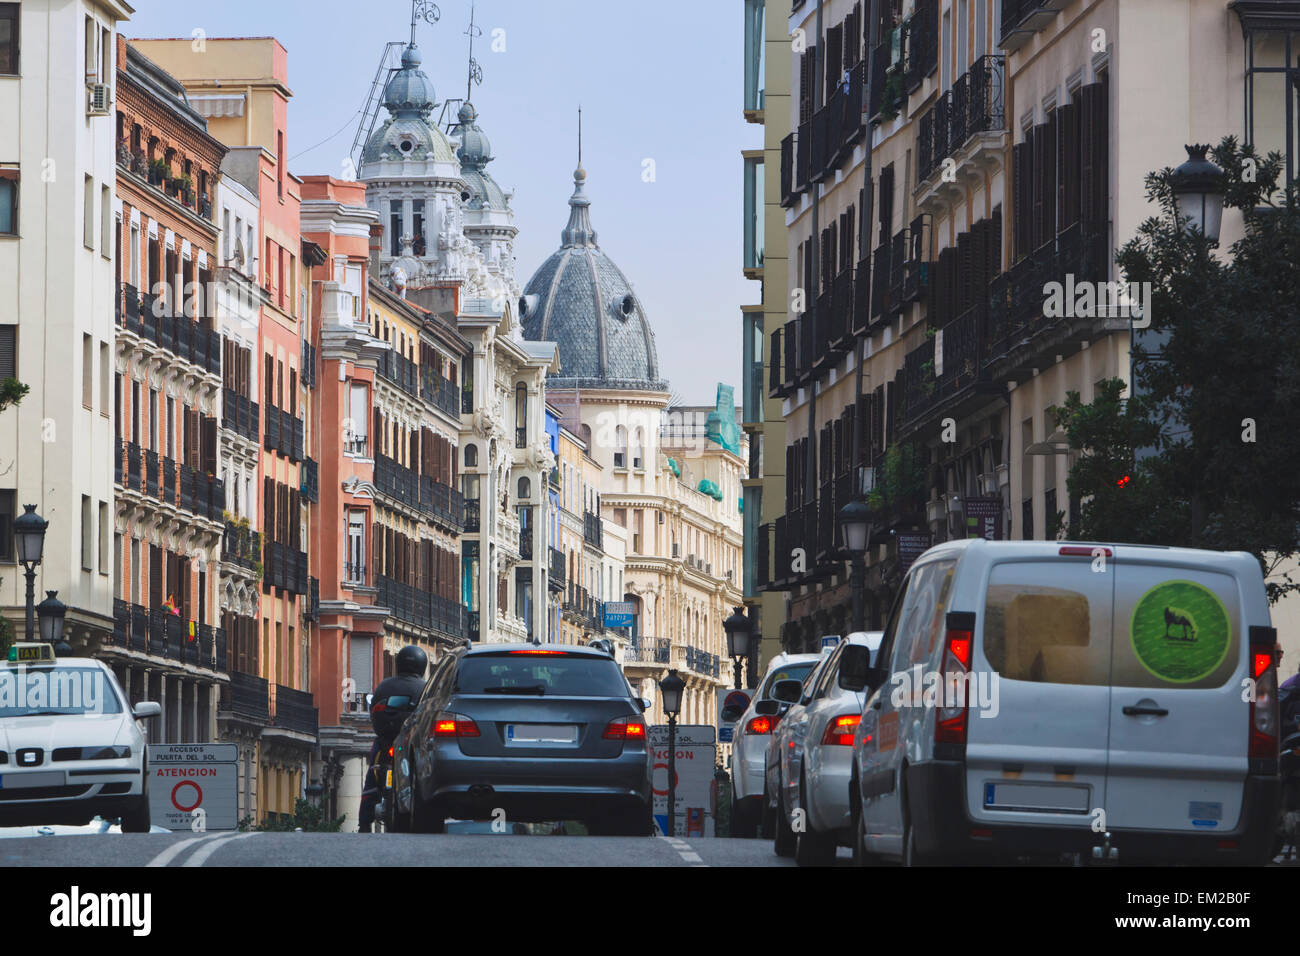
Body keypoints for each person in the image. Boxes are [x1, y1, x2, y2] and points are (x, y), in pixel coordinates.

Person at [358, 644, 428, 832]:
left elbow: (373, 710)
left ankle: (364, 821)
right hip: (409, 743)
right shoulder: (425, 688)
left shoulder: (384, 686)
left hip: (384, 741)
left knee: (371, 778)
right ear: (422, 665)